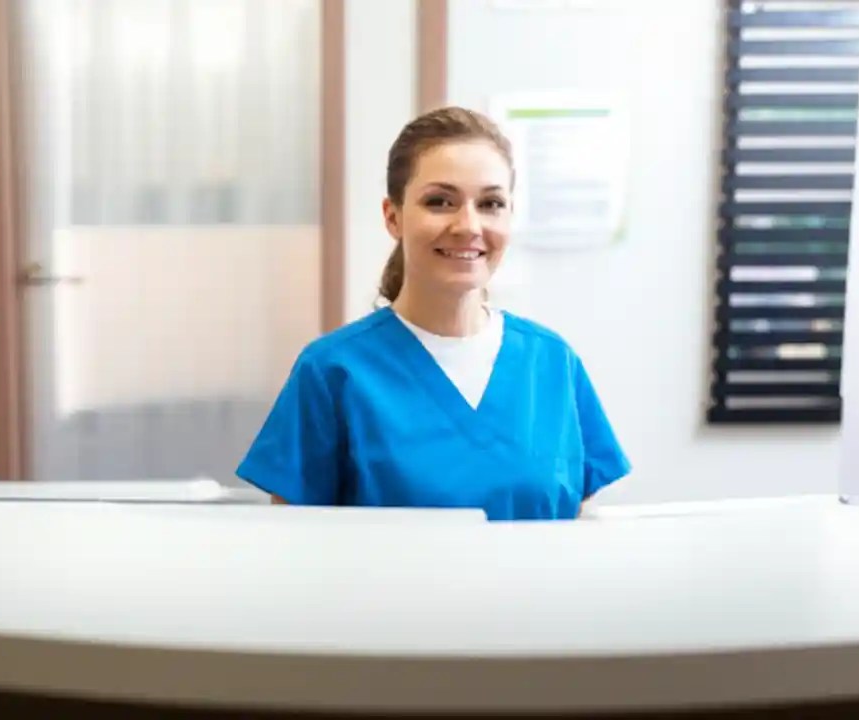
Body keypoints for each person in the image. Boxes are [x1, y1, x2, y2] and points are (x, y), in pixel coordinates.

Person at [236, 106, 630, 521]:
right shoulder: (332, 372)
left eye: (491, 203)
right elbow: (291, 552)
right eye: (440, 201)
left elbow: (584, 538)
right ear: (393, 217)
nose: (468, 225)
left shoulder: (552, 363)